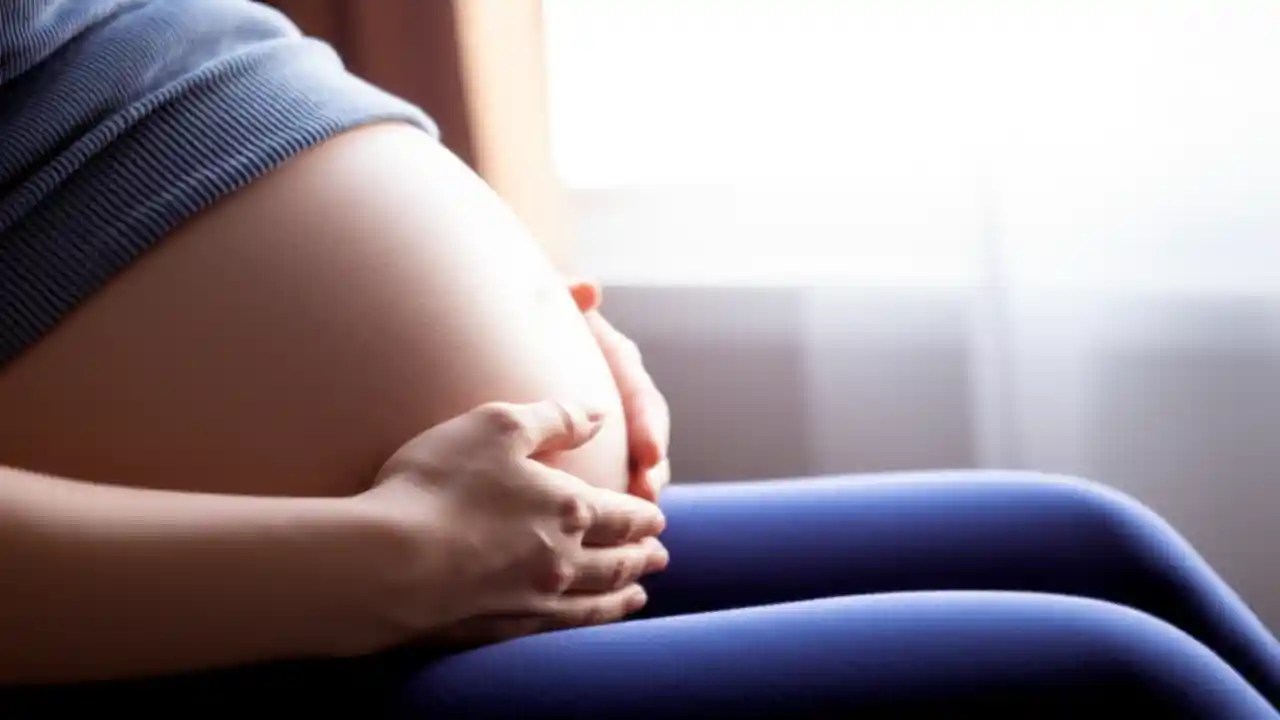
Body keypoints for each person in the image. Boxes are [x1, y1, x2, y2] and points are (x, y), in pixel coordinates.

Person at [0, 1, 1277, 717]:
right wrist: (392, 561)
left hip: (423, 558)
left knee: (1086, 542)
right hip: (232, 620)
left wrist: (530, 320)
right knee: (1110, 684)